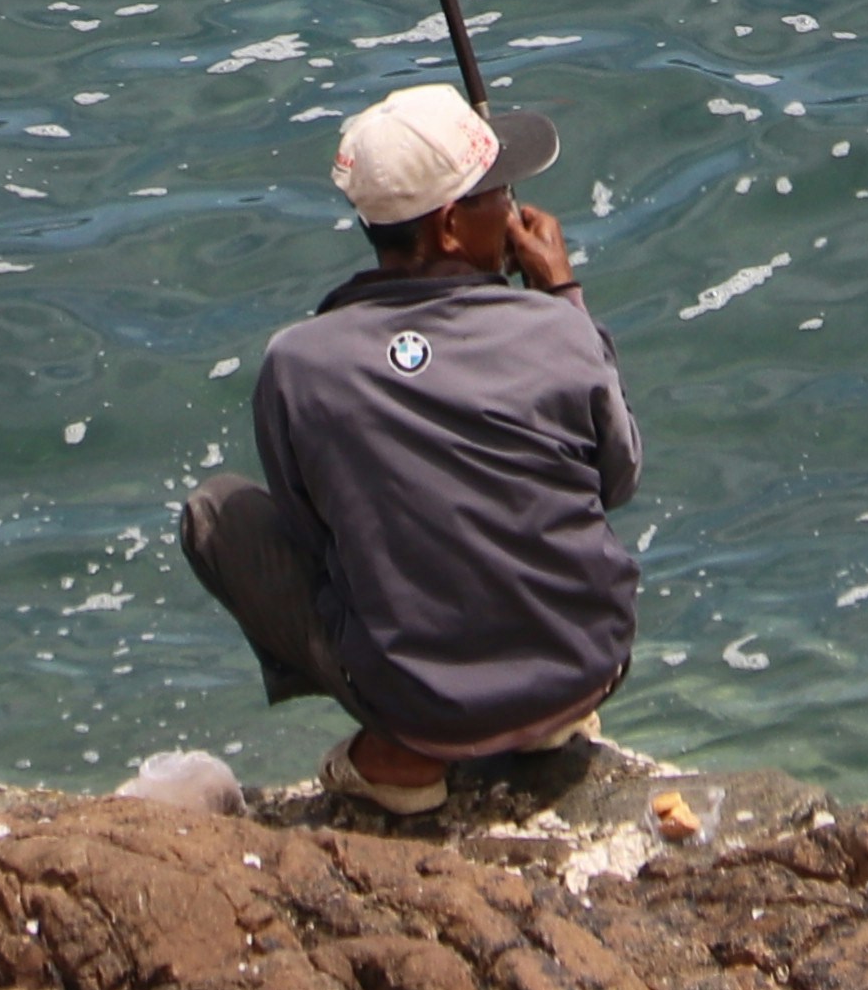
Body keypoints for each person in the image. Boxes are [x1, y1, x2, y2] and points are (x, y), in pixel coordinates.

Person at [176, 81, 641, 818]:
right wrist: (561, 292)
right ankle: (541, 718)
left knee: (216, 514)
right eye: (499, 195)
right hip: (591, 666)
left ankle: (405, 751)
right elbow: (617, 476)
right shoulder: (557, 328)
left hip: (427, 709)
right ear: (453, 227)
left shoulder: (299, 361)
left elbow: (314, 536)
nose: (516, 213)